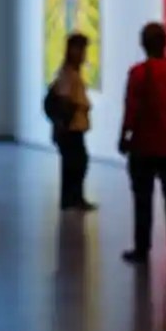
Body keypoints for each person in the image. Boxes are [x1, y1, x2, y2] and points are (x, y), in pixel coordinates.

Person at [119, 23, 166, 265]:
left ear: (144, 44)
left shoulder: (138, 74)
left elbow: (131, 109)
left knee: (143, 198)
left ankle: (142, 248)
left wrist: (124, 136)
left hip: (144, 145)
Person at [50, 33, 94, 212]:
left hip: (73, 127)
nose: (84, 55)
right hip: (71, 128)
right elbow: (64, 100)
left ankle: (73, 198)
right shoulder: (68, 74)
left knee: (75, 163)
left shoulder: (71, 73)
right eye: (82, 50)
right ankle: (72, 198)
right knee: (76, 163)